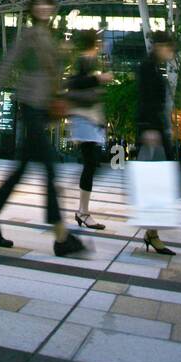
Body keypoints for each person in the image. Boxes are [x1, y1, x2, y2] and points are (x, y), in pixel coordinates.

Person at [0, 0, 88, 257]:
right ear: (32, 9)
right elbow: (6, 64)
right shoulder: (28, 36)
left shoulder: (50, 37)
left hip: (42, 110)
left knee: (21, 171)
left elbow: (54, 76)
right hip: (30, 108)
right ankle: (61, 235)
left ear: (52, 8)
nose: (42, 8)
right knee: (49, 169)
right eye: (37, 4)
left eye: (46, 4)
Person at [135, 31, 177, 254]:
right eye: (169, 47)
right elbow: (145, 100)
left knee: (159, 184)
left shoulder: (154, 68)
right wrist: (148, 128)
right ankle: (152, 234)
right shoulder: (146, 67)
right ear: (160, 46)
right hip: (151, 133)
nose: (171, 52)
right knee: (156, 184)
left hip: (157, 131)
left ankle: (152, 233)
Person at [65, 29, 111, 230]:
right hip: (84, 120)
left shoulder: (89, 61)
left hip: (89, 120)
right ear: (94, 43)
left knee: (92, 164)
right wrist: (99, 79)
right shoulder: (85, 60)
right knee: (91, 163)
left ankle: (82, 211)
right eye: (98, 41)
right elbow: (73, 83)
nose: (100, 44)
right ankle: (83, 212)